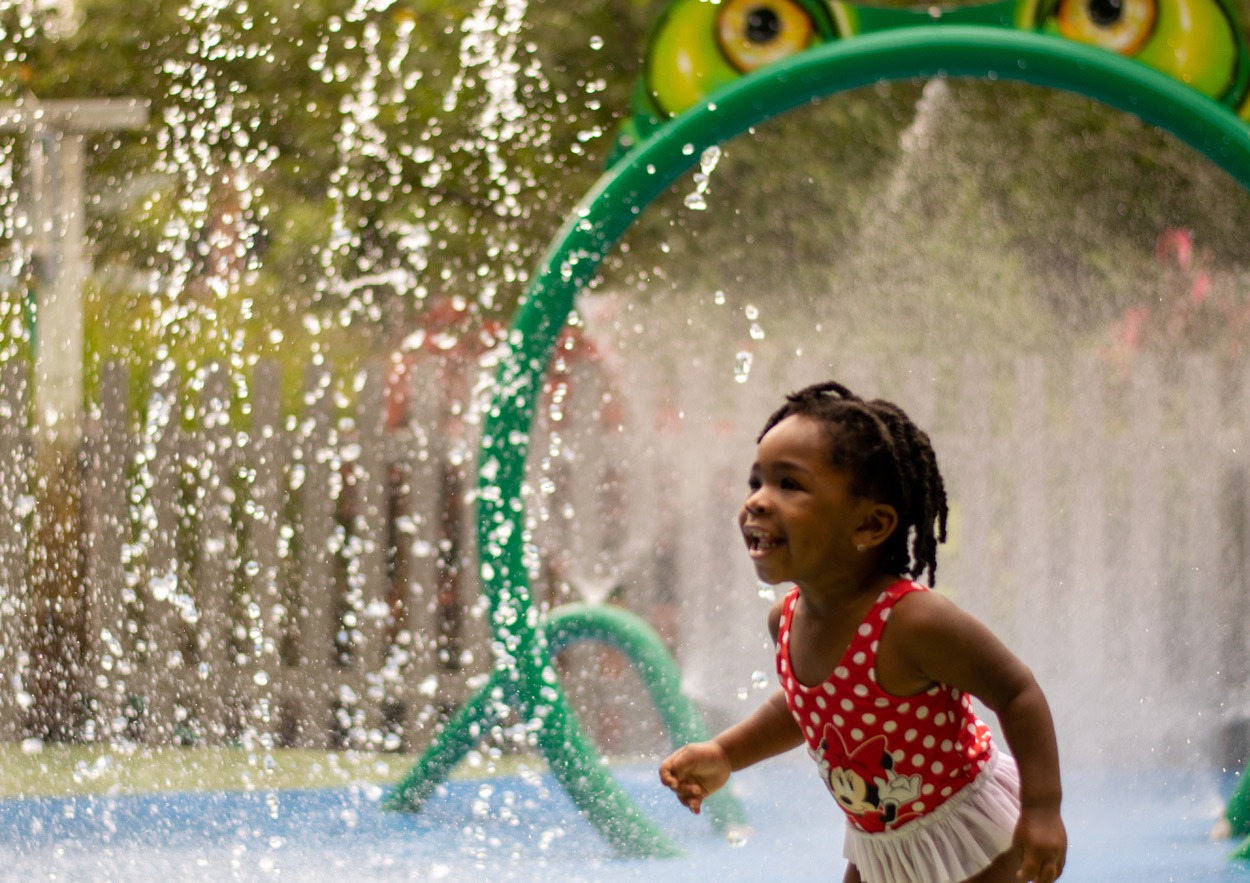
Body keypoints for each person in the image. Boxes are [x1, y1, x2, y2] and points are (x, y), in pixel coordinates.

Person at [659, 381, 1066, 883]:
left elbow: (1016, 691)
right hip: (882, 842)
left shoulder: (911, 622)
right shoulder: (785, 621)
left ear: (869, 526)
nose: (758, 502)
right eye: (757, 481)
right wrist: (726, 753)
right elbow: (812, 706)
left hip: (968, 833)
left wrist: (1042, 808)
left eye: (789, 485)